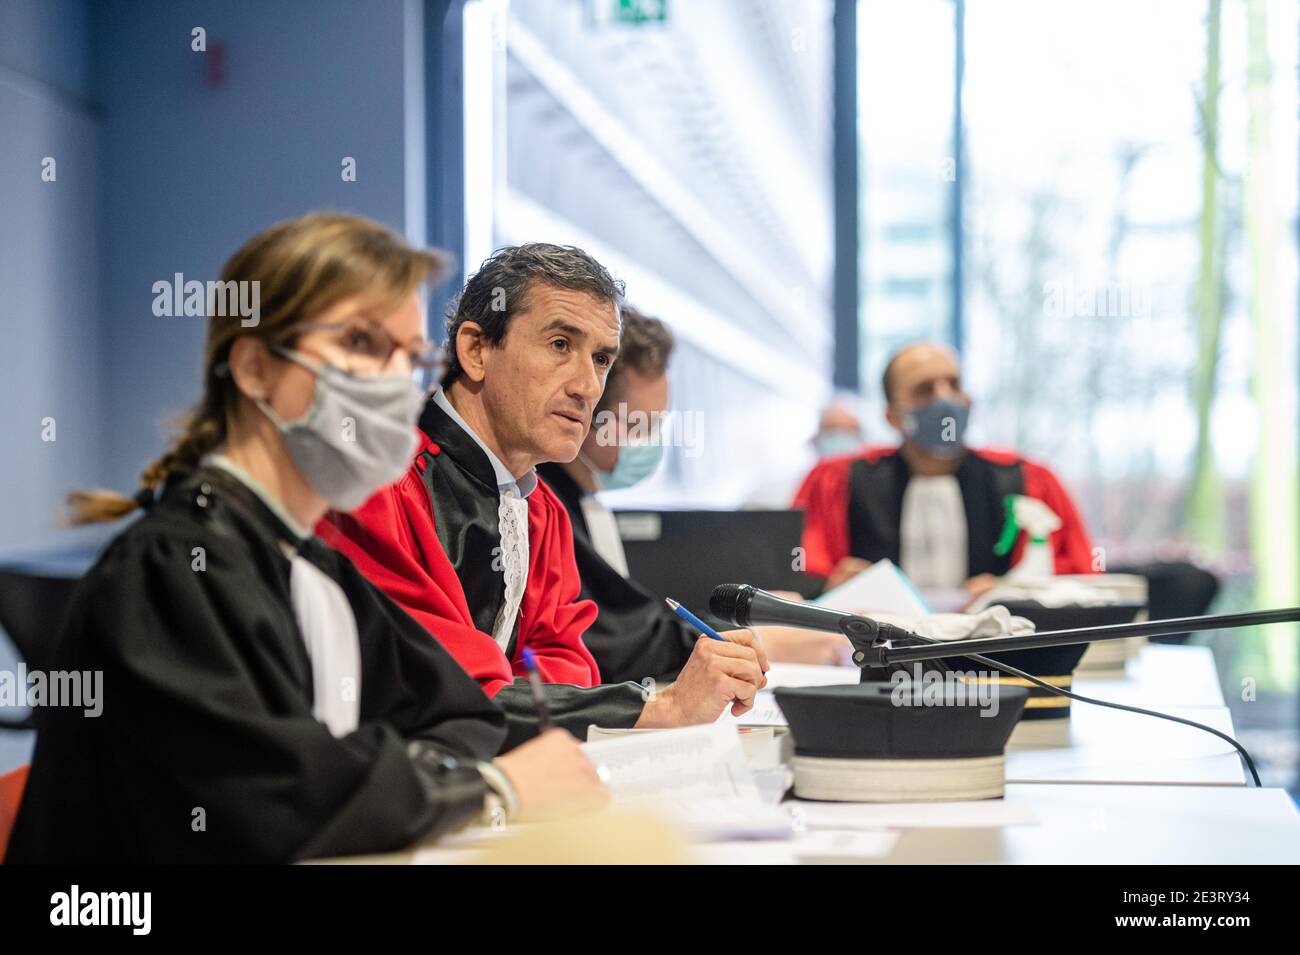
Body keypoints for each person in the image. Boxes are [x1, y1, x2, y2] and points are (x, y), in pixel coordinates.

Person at [7, 214, 604, 865]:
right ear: (255, 368)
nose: (393, 382)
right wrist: (487, 788)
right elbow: (275, 801)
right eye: (361, 342)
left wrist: (400, 779)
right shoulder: (173, 568)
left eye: (409, 358)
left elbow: (464, 714)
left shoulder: (315, 568)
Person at [320, 244, 768, 750]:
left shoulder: (542, 509)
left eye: (601, 359)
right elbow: (449, 695)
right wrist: (660, 709)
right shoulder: (380, 489)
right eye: (559, 344)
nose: (588, 386)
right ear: (476, 350)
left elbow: (566, 667)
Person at [538, 306, 849, 678]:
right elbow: (610, 643)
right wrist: (749, 639)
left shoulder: (584, 504)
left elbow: (631, 624)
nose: (648, 443)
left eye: (656, 425)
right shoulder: (543, 503)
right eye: (637, 426)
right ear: (586, 413)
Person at [795, 342, 1094, 595]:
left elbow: (1078, 580)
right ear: (893, 416)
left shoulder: (1028, 480)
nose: (945, 398)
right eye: (925, 389)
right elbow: (797, 577)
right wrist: (833, 587)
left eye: (954, 384)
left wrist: (1013, 591)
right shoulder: (838, 482)